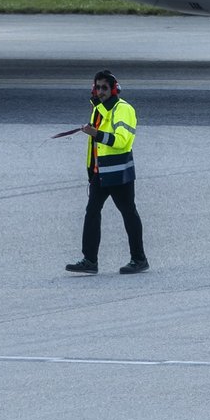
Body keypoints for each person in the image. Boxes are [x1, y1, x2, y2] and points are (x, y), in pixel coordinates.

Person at [64, 69, 149, 275]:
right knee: (92, 213)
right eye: (98, 87)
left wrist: (97, 134)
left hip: (119, 174)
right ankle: (89, 260)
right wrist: (91, 170)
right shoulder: (98, 109)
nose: (100, 91)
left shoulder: (123, 109)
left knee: (128, 213)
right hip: (100, 172)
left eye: (104, 87)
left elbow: (122, 141)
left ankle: (139, 259)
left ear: (113, 89)